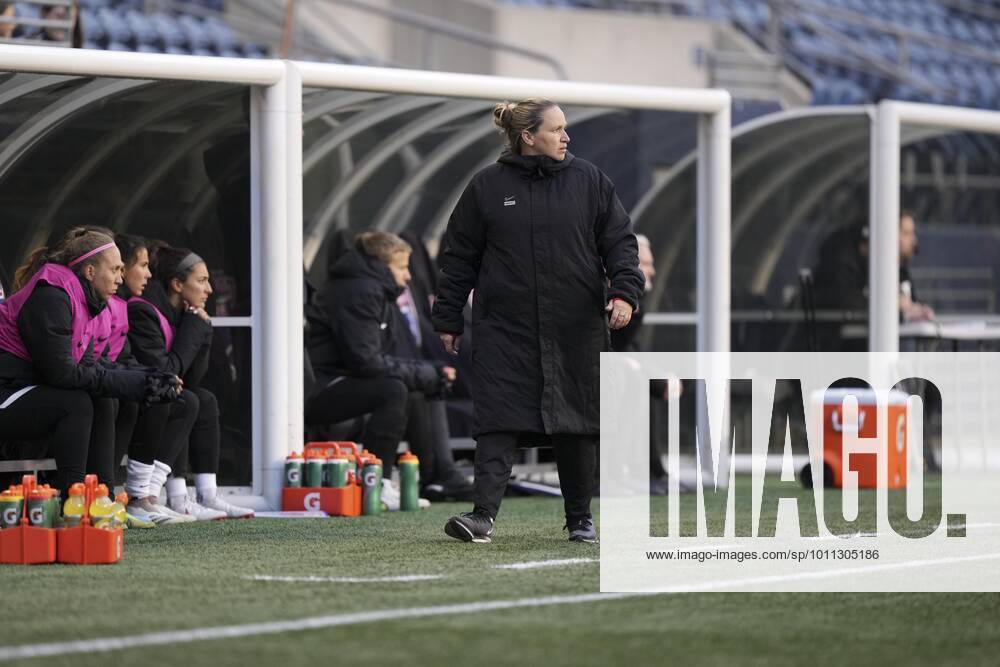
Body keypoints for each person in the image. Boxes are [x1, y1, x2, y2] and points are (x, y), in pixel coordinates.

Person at [432, 98, 644, 544]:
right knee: (497, 420)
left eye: (566, 129)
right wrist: (448, 317)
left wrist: (624, 291)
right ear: (528, 137)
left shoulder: (590, 180)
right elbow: (458, 259)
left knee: (578, 420)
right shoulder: (486, 186)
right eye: (557, 129)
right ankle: (481, 518)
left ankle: (580, 519)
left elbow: (621, 244)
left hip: (576, 327)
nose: (567, 137)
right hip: (505, 331)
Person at [0, 229, 180, 496]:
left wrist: (150, 379)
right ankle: (74, 503)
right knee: (75, 404)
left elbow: (91, 367)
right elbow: (62, 374)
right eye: (116, 269)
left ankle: (101, 497)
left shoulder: (82, 299)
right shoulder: (52, 297)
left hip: (22, 387)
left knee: (102, 398)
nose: (121, 277)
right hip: (7, 390)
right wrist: (141, 384)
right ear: (90, 272)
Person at [307, 231, 452, 509]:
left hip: (338, 379)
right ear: (381, 265)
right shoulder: (361, 292)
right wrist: (427, 373)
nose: (408, 276)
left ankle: (435, 477)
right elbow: (366, 362)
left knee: (411, 387)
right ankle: (378, 481)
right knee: (393, 390)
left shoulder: (373, 291)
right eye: (402, 267)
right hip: (318, 386)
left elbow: (378, 358)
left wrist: (429, 374)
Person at [128, 244, 254, 519]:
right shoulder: (144, 311)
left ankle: (202, 495)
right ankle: (148, 495)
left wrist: (202, 328)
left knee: (203, 398)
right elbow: (167, 372)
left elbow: (191, 377)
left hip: (160, 392)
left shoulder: (180, 315)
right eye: (202, 281)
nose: (209, 290)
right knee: (185, 398)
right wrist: (196, 328)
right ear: (176, 284)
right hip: (133, 397)